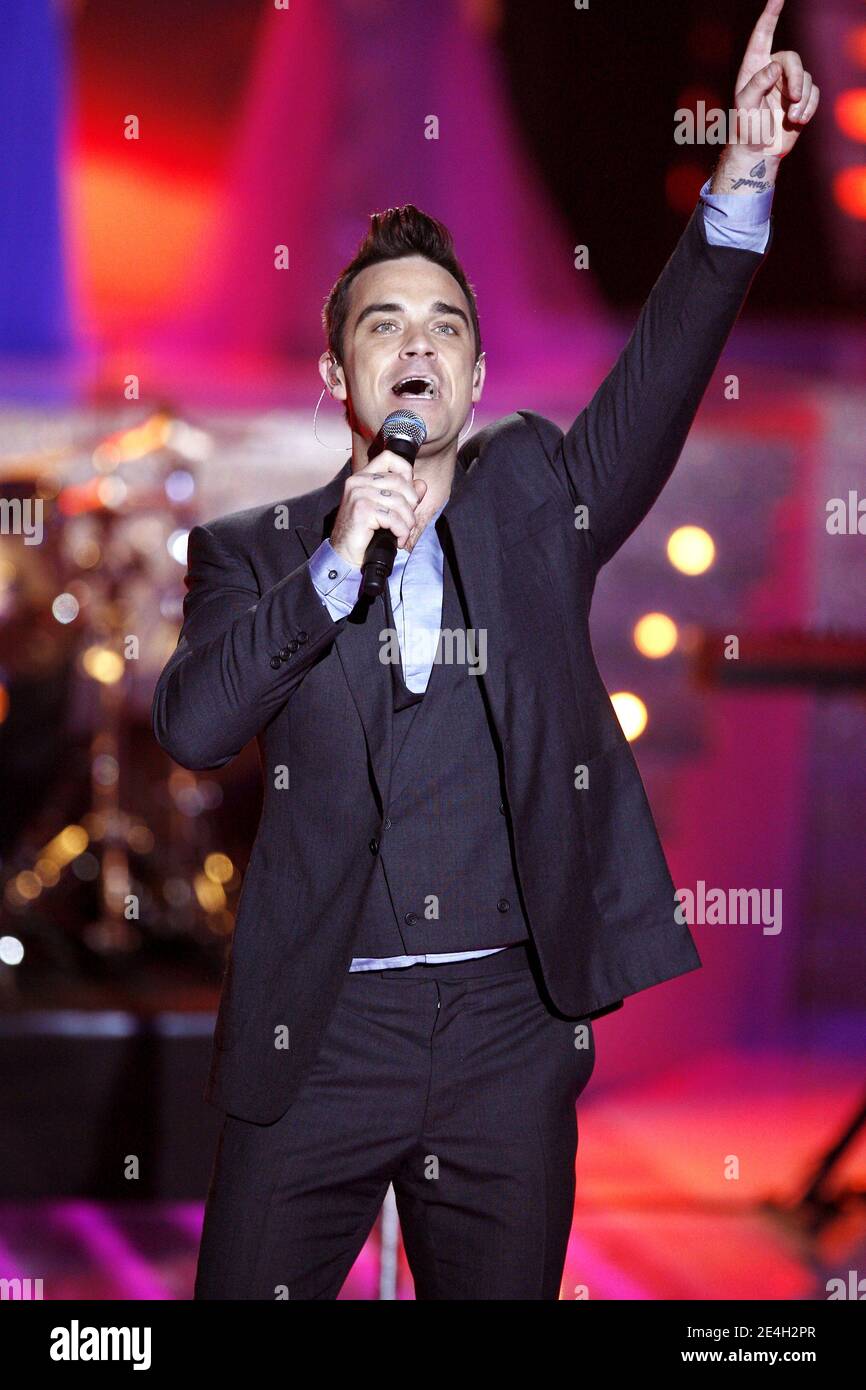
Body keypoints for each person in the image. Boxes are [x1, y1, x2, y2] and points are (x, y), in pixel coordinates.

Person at [152, 0, 818, 1300]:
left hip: (505, 1037)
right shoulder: (255, 549)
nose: (416, 345)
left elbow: (654, 385)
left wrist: (738, 181)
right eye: (383, 326)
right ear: (337, 380)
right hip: (320, 1034)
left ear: (474, 372)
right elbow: (191, 724)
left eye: (445, 326)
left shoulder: (531, 503)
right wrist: (337, 565)